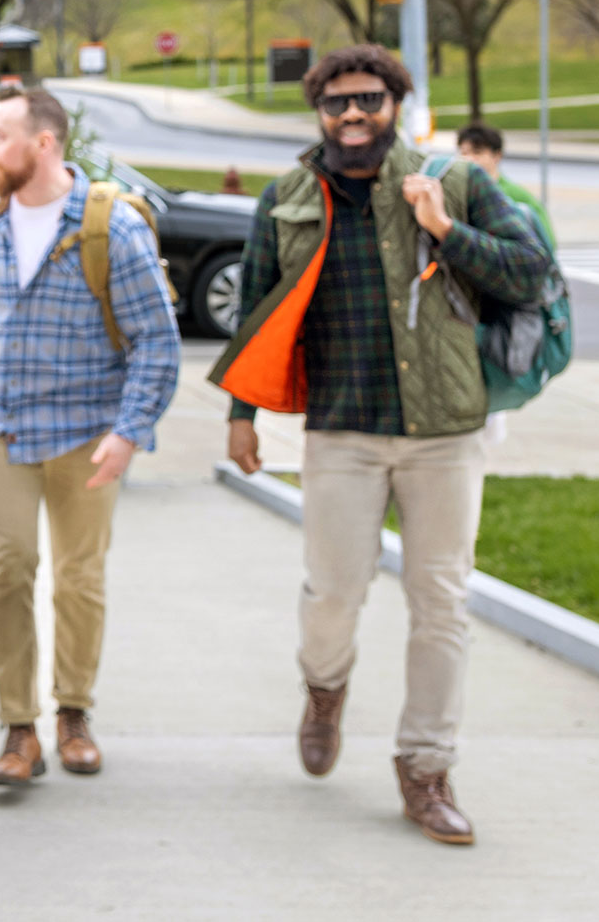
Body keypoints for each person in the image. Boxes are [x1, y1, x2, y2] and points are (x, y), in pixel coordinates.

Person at [213, 45, 551, 846]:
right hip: (342, 427)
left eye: (369, 98)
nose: (353, 114)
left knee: (442, 602)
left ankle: (425, 770)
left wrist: (445, 230)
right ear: (320, 113)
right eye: (337, 103)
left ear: (396, 103)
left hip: (444, 432)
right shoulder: (287, 198)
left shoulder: (455, 183)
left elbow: (530, 272)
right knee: (332, 593)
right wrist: (241, 413)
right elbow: (256, 308)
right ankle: (324, 688)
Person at [0, 87, 180, 788]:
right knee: (6, 573)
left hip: (84, 434)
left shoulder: (110, 227)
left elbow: (156, 341)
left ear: (43, 143)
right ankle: (18, 728)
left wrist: (129, 432)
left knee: (79, 578)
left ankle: (73, 713)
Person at [454, 124, 555, 248]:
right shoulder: (457, 192)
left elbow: (547, 243)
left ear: (497, 156)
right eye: (463, 153)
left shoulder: (518, 196)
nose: (469, 159)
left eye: (477, 152)